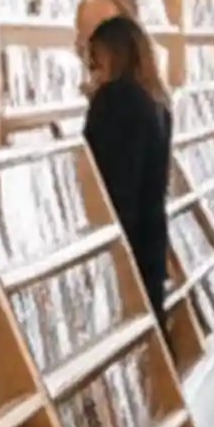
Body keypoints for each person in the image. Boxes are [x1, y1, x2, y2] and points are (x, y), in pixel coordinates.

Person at [82, 17, 173, 329]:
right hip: (151, 236)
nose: (93, 71)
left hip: (124, 238)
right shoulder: (156, 100)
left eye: (96, 61)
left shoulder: (115, 100)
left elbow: (111, 178)